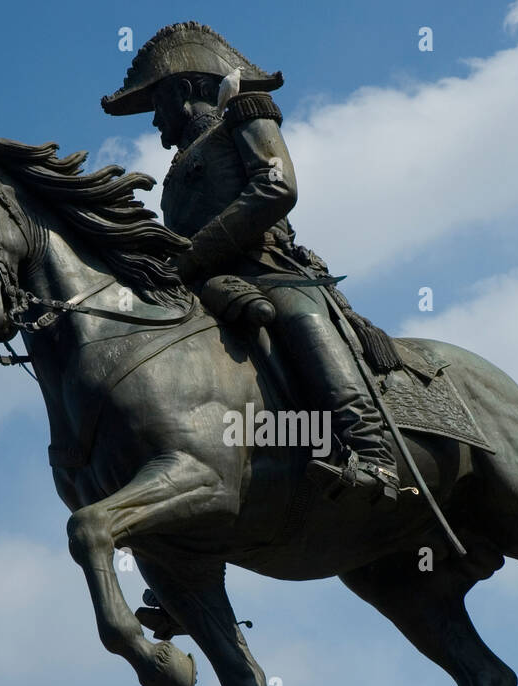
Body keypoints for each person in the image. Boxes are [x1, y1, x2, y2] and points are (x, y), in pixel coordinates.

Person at [101, 21, 399, 505]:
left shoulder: (245, 115)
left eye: (156, 104)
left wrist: (196, 252)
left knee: (299, 320)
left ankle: (373, 453)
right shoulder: (175, 171)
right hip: (208, 283)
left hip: (270, 268)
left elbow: (277, 188)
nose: (154, 120)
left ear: (183, 90)